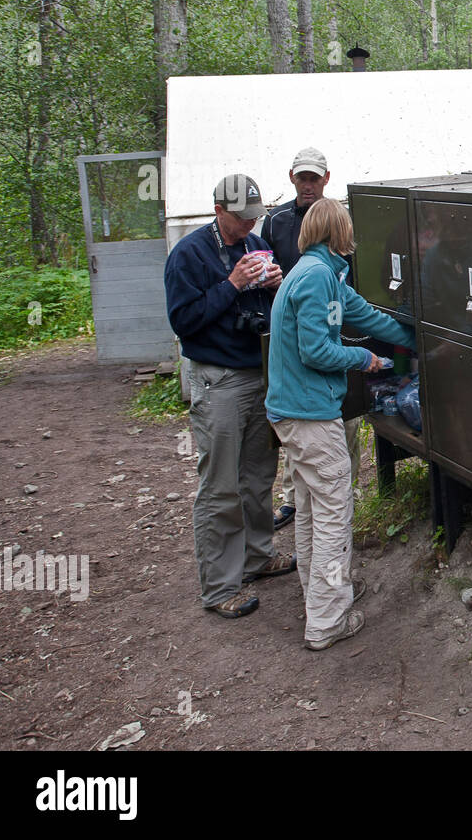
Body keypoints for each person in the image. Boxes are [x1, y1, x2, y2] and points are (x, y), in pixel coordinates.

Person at [266, 197, 414, 650]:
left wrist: (415, 339)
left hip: (295, 412)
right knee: (334, 512)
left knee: (312, 510)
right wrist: (365, 358)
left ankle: (320, 597)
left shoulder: (320, 273)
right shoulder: (315, 279)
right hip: (309, 414)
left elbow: (364, 313)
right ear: (338, 235)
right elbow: (316, 352)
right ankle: (329, 620)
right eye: (348, 232)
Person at [164, 174, 297, 619]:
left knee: (258, 477)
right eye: (241, 218)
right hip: (217, 379)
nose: (248, 225)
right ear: (218, 209)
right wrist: (233, 284)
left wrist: (276, 285)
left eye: (253, 217)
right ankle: (220, 586)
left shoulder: (254, 245)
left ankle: (257, 558)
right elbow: (183, 322)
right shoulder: (189, 255)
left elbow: (268, 310)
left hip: (258, 372)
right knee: (220, 486)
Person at [262, 147, 364, 530]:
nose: (308, 184)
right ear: (292, 178)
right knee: (302, 420)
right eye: (302, 178)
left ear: (326, 179)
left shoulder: (342, 219)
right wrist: (270, 277)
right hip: (292, 330)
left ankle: (343, 488)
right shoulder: (277, 221)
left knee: (341, 416)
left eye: (315, 178)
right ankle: (296, 496)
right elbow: (264, 260)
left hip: (334, 322)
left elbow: (351, 276)